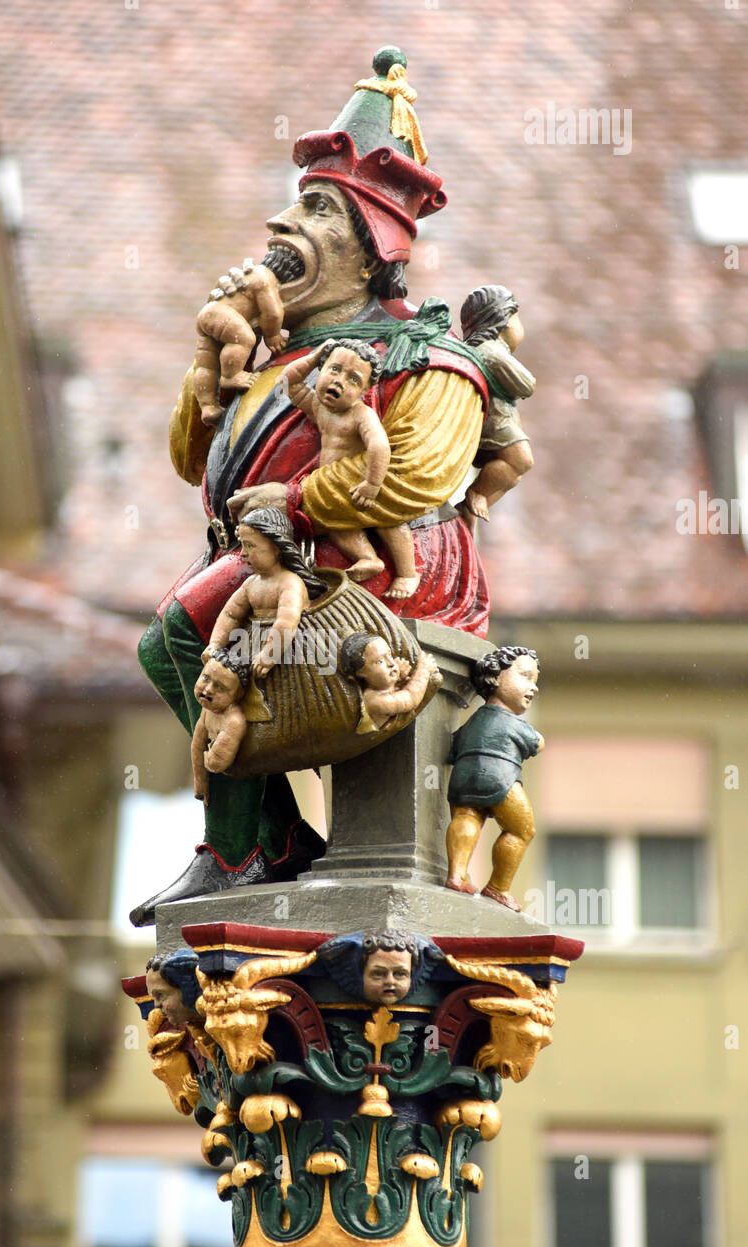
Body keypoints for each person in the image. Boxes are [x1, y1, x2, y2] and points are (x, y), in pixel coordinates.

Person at [132, 49, 498, 925]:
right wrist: (209, 357)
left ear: (372, 250)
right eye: (295, 200)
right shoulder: (277, 357)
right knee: (183, 636)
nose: (280, 221)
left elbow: (415, 479)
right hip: (276, 553)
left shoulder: (427, 356)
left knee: (180, 636)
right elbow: (195, 461)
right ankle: (262, 839)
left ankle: (244, 848)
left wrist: (294, 506)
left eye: (317, 208)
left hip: (381, 562)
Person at [281, 340, 420, 600]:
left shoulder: (360, 415)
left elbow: (379, 446)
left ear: (365, 390)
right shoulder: (319, 408)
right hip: (332, 489)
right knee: (338, 527)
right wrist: (315, 356)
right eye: (334, 369)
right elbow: (288, 381)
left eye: (353, 379)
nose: (339, 381)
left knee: (388, 522)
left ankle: (408, 573)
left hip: (361, 481)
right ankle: (368, 558)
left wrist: (372, 485)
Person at [444, 646, 544, 912]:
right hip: (500, 778)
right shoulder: (508, 720)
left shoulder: (475, 719)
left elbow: (453, 747)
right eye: (525, 676)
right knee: (522, 830)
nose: (533, 687)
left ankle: (456, 874)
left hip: (462, 777)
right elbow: (536, 743)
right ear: (496, 677)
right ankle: (498, 887)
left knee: (466, 817)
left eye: (535, 680)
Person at [203, 507, 327, 680]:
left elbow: (286, 623)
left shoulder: (289, 583)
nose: (243, 553)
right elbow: (230, 615)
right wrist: (216, 644)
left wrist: (269, 654)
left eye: (250, 546)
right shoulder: (251, 584)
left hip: (288, 654)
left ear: (277, 547)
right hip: (251, 651)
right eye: (243, 545)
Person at [457, 286, 536, 528]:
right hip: (496, 421)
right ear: (504, 321)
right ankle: (476, 493)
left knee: (513, 475)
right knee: (521, 460)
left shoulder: (490, 350)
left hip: (501, 419)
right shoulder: (490, 351)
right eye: (516, 317)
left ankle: (468, 511)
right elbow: (526, 384)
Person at [194, 258, 288, 426]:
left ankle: (208, 406)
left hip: (208, 313)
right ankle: (230, 376)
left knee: (206, 363)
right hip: (220, 314)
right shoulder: (265, 279)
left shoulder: (255, 275)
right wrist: (273, 335)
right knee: (244, 339)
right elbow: (273, 313)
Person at [339, 631, 440, 731]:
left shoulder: (381, 688)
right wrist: (423, 669)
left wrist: (398, 679)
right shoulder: (375, 701)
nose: (391, 663)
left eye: (389, 655)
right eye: (380, 661)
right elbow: (411, 697)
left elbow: (394, 690)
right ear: (360, 673)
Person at [191, 648, 249, 800]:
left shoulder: (234, 722)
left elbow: (216, 763)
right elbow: (197, 745)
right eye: (205, 678)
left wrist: (208, 757)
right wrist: (200, 783)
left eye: (220, 687)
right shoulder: (207, 711)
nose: (208, 689)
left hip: (240, 781)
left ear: (238, 695)